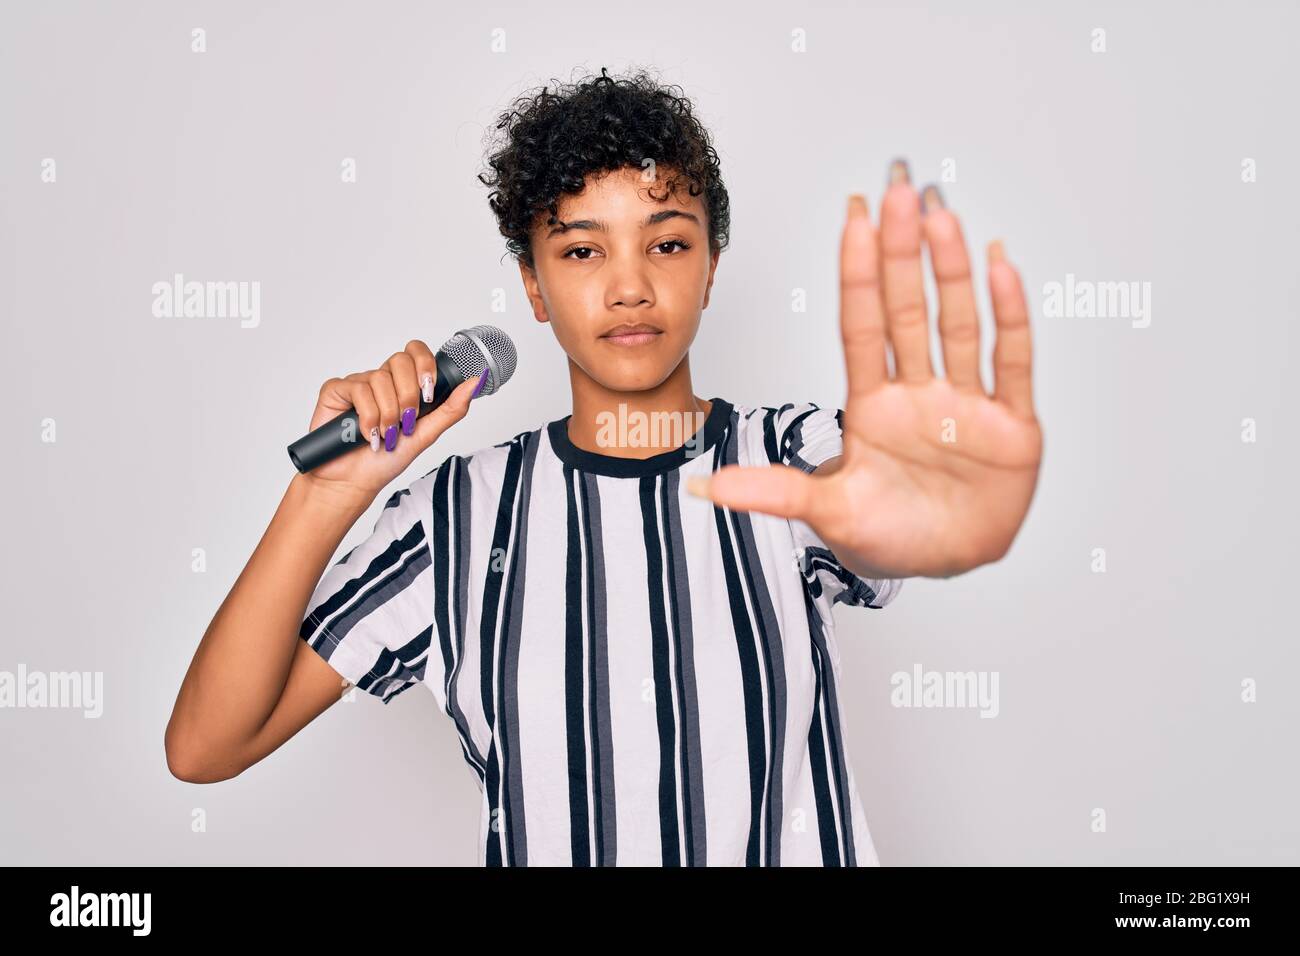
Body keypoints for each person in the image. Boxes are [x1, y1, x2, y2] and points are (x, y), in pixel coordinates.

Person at [165, 66, 1043, 866]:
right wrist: (325, 496)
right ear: (535, 287)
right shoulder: (453, 520)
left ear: (709, 271)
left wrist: (928, 477)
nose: (630, 287)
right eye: (583, 250)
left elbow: (873, 503)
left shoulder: (787, 456)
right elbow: (206, 746)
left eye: (666, 244)